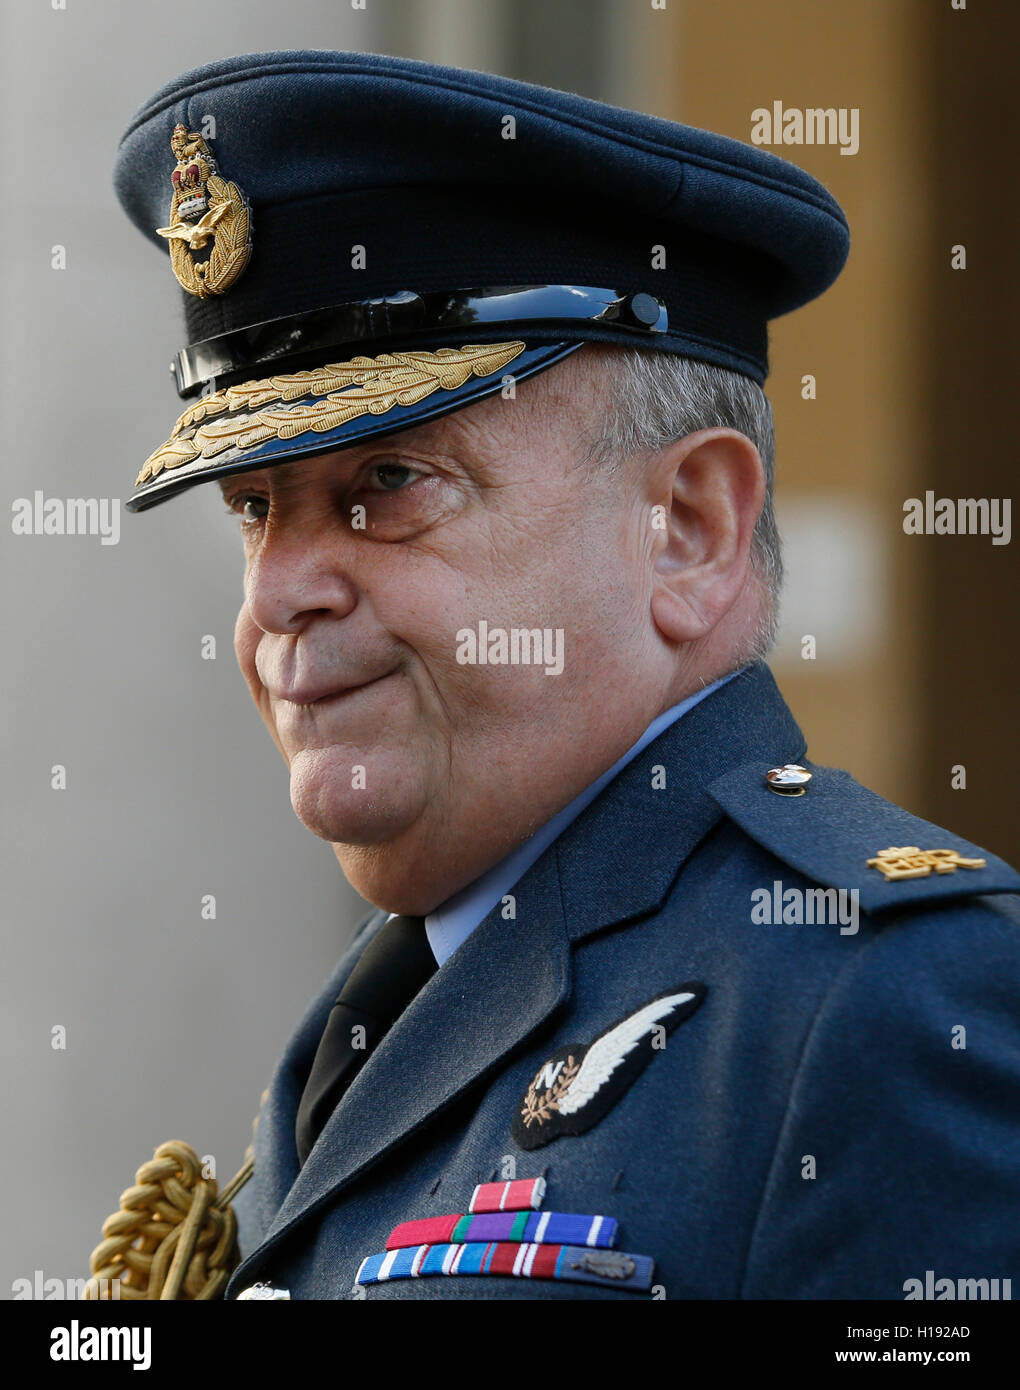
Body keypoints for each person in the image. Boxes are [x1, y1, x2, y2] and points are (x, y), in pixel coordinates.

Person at [112, 50, 1020, 1300]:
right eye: (256, 509)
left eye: (387, 485)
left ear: (688, 528)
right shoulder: (378, 1019)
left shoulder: (884, 1003)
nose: (279, 592)